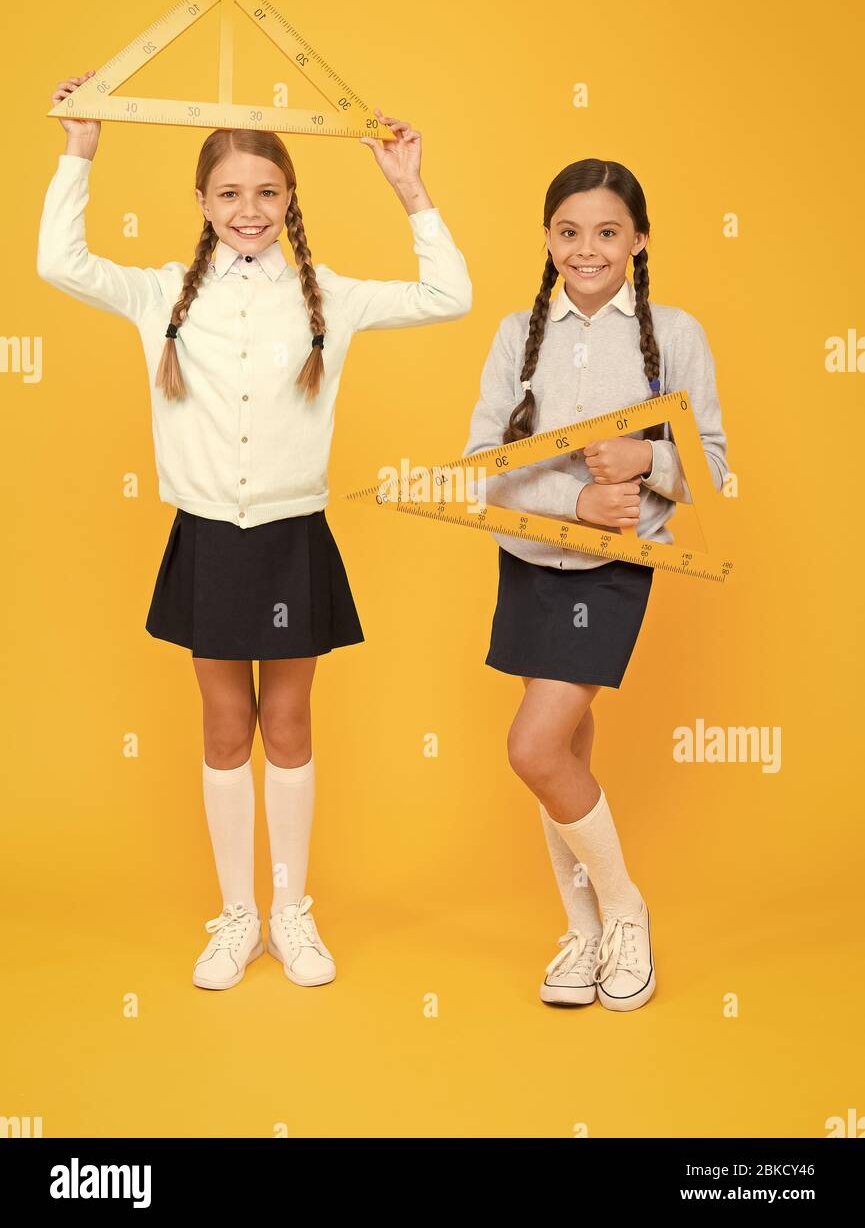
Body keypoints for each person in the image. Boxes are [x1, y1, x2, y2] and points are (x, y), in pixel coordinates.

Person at [37, 70, 472, 991]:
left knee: (288, 724)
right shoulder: (162, 294)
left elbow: (450, 296)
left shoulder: (331, 297)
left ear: (290, 200)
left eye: (266, 193)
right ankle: (235, 916)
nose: (248, 209)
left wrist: (409, 188)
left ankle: (289, 910)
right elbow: (59, 264)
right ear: (200, 201)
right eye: (229, 194)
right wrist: (80, 147)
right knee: (225, 728)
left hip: (289, 538)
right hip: (209, 539)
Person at [462, 158, 727, 1011]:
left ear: (638, 240)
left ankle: (624, 914)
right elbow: (480, 470)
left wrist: (647, 457)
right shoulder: (517, 334)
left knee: (532, 749)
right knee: (565, 757)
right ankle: (580, 935)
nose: (587, 249)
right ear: (547, 239)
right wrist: (573, 495)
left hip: (611, 576)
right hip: (529, 565)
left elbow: (711, 468)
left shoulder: (675, 332)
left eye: (607, 232)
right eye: (569, 232)